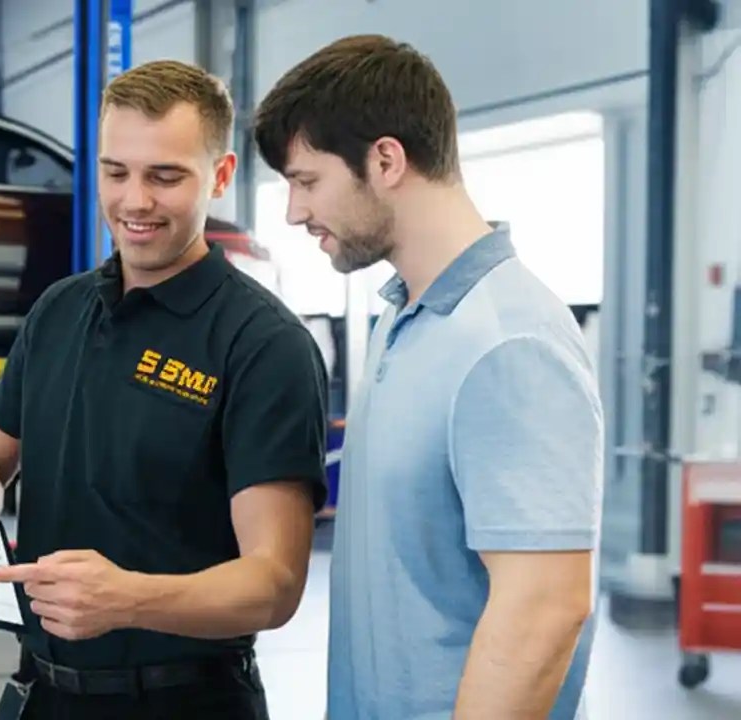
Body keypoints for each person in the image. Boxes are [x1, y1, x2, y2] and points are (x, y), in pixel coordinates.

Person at [0, 59, 329, 720]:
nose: (135, 201)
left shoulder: (262, 345)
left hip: (184, 702)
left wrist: (129, 600)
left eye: (164, 177)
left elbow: (275, 582)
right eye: (116, 173)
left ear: (220, 176)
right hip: (41, 693)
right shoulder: (58, 312)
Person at [252, 35, 604, 720]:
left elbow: (545, 610)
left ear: (385, 160)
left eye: (307, 181)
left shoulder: (508, 341)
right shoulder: (403, 314)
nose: (294, 211)